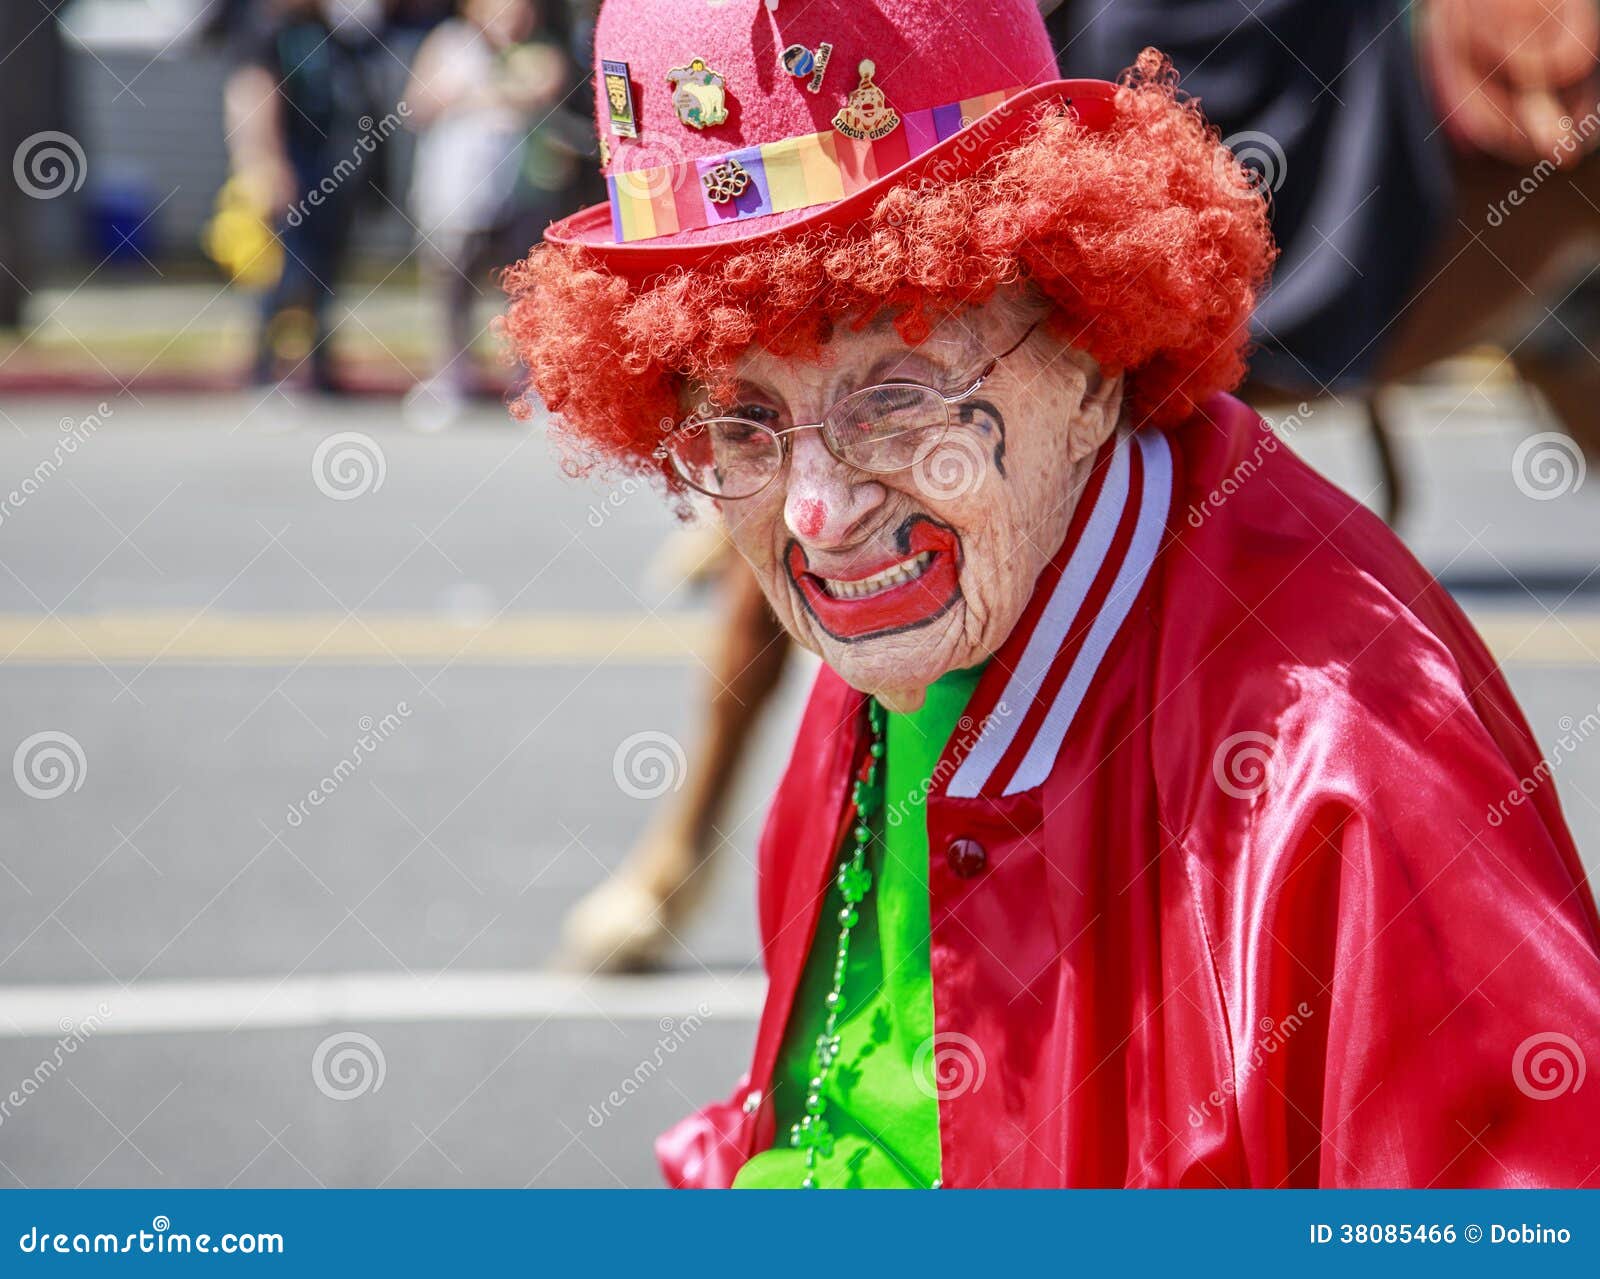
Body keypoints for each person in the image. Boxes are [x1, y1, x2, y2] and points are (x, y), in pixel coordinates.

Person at [507, 0, 1600, 1187]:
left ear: (1089, 357)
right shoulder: (906, 631)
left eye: (896, 398)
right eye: (741, 420)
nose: (817, 516)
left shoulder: (1344, 776)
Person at [404, 0, 576, 420]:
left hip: (520, 197)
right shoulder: (448, 44)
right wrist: (490, 92)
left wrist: (490, 86)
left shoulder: (537, 49)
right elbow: (417, 105)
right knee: (450, 292)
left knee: (523, 296)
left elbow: (544, 85)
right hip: (455, 194)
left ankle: (528, 386)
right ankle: (450, 381)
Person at [225, 0, 390, 392]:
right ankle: (264, 369)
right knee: (284, 272)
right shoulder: (268, 32)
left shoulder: (337, 35)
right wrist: (265, 162)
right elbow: (252, 97)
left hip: (334, 169)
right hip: (294, 167)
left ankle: (319, 366)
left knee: (326, 274)